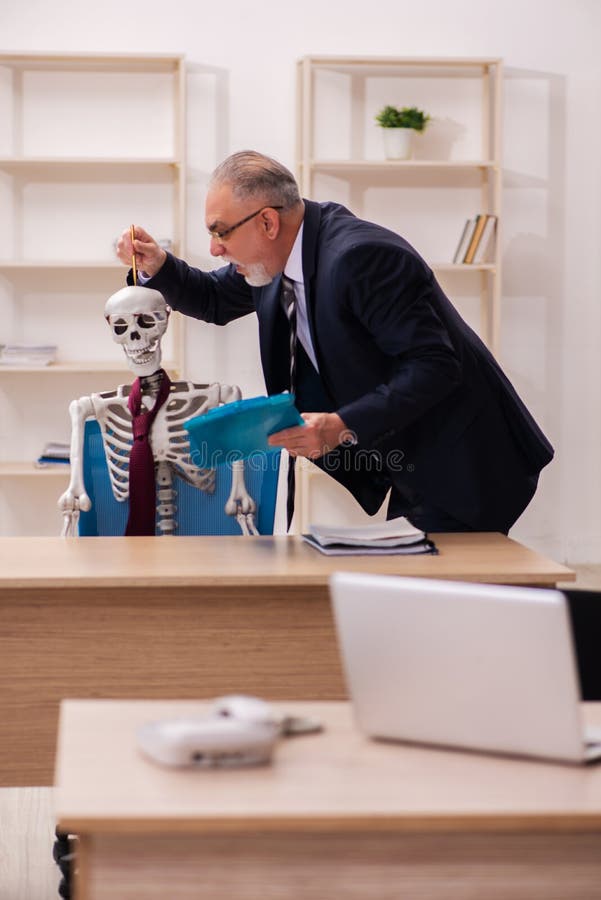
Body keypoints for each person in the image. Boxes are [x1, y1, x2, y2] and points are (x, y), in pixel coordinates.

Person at [116, 150, 553, 534]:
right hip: (414, 455)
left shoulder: (362, 258)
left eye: (221, 232)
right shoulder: (275, 257)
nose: (214, 249)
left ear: (267, 221)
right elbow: (213, 298)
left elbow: (435, 365)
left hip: (468, 459)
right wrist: (159, 264)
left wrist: (342, 424)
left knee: (442, 604)